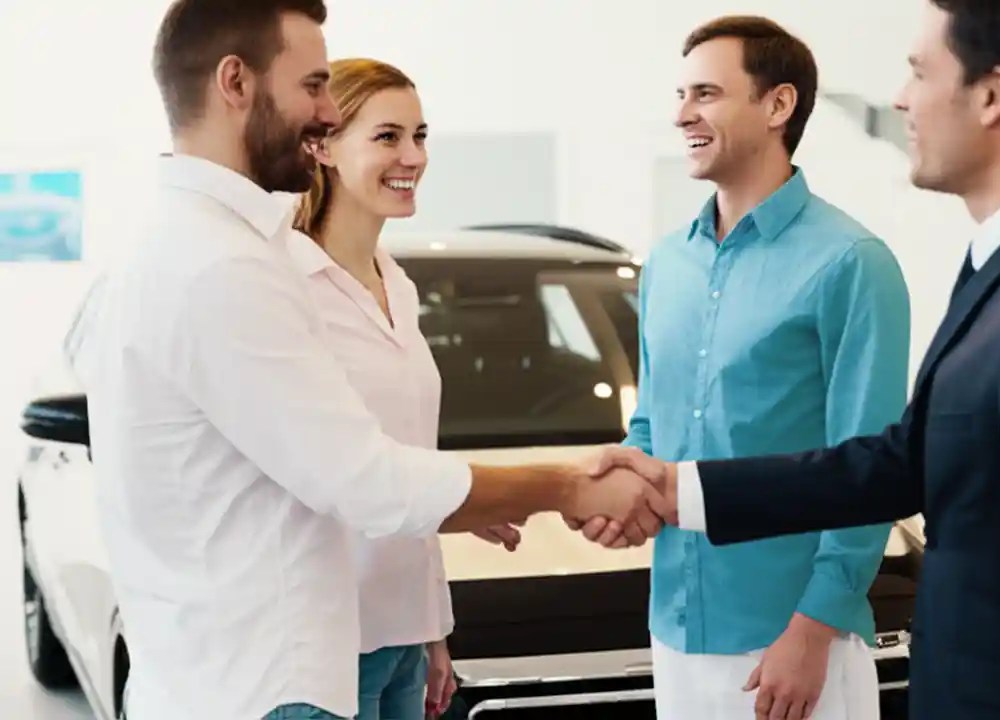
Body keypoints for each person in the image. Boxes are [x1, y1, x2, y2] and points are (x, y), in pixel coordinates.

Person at [590, 1, 1000, 718]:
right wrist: (674, 489)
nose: (902, 97)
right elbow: (903, 464)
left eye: (919, 71)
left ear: (994, 95)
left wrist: (814, 615)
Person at [63, 2, 666, 719]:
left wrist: (439, 580)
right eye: (313, 85)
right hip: (264, 685)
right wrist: (566, 486)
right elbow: (365, 478)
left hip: (265, 668)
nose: (322, 112)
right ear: (236, 82)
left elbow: (353, 464)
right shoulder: (225, 267)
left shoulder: (201, 248)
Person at [576, 16, 909, 720]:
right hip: (675, 625)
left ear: (777, 106)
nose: (681, 114)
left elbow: (872, 470)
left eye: (705, 94)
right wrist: (625, 492)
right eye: (681, 94)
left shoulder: (852, 263)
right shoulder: (667, 263)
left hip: (790, 639)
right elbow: (651, 424)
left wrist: (813, 628)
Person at [286, 58, 520, 720]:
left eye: (420, 136)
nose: (412, 156)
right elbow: (337, 473)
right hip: (326, 647)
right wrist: (464, 498)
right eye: (387, 137)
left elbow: (409, 454)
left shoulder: (398, 282)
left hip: (401, 638)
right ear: (323, 145)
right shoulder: (286, 286)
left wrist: (432, 629)